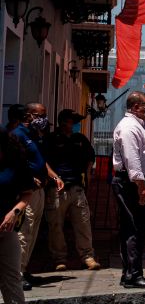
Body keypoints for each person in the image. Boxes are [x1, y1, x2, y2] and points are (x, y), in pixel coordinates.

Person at [0, 126, 54, 304]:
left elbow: (26, 193)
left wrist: (14, 212)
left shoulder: (14, 164)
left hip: (7, 228)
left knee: (12, 275)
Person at [112, 91, 145, 288]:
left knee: (135, 228)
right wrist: (141, 186)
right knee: (135, 228)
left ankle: (130, 273)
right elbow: (132, 159)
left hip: (141, 182)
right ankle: (134, 275)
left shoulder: (138, 126)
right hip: (134, 184)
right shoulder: (129, 127)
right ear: (135, 107)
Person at [10, 104, 62, 290]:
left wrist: (53, 176)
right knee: (24, 230)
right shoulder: (18, 134)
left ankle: (24, 268)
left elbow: (40, 159)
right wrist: (29, 177)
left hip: (40, 188)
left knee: (33, 231)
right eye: (41, 115)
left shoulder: (34, 135)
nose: (44, 119)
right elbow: (14, 161)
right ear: (29, 115)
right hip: (27, 190)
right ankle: (16, 273)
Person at [43, 109, 100, 271]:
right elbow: (43, 162)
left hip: (77, 187)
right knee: (56, 225)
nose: (75, 124)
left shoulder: (80, 139)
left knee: (83, 223)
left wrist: (88, 174)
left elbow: (90, 156)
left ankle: (87, 256)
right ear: (63, 122)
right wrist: (55, 178)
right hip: (57, 189)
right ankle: (59, 258)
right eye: (72, 121)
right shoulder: (51, 139)